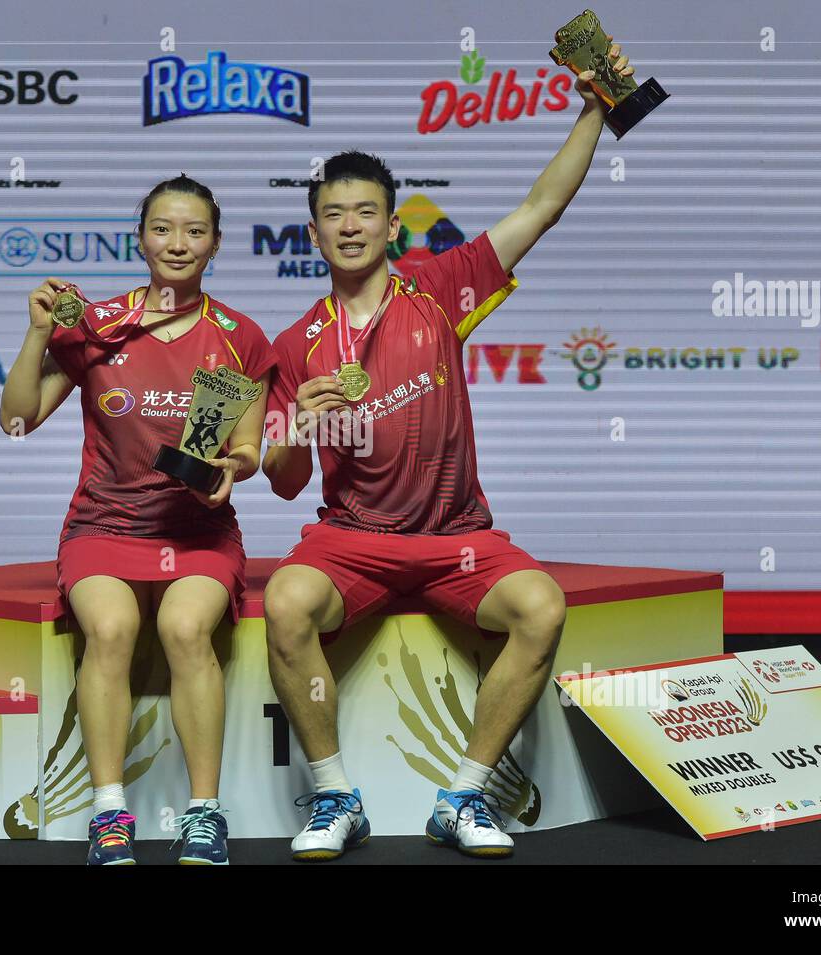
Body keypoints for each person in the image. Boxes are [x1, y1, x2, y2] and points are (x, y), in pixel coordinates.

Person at [261, 44, 634, 861]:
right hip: (350, 539)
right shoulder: (296, 345)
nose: (351, 226)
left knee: (541, 606)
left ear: (392, 225)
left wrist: (595, 111)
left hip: (457, 538)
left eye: (366, 212)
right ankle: (333, 796)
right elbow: (284, 482)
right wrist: (298, 426)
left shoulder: (437, 290)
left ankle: (462, 795)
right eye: (335, 213)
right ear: (315, 230)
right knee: (286, 603)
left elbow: (539, 208)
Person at [0, 174, 277, 865]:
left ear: (215, 243)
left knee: (185, 628)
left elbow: (248, 447)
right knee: (113, 627)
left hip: (198, 534)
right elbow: (17, 418)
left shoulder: (239, 336)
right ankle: (108, 810)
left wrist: (229, 470)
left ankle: (205, 814)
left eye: (194, 230)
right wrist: (38, 335)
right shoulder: (97, 325)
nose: (177, 243)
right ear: (140, 237)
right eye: (162, 228)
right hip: (103, 527)